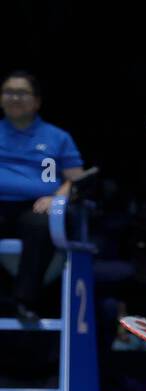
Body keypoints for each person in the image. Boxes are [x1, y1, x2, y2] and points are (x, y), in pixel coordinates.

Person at [0, 70, 85, 319]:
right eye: (8, 92)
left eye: (22, 93)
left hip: (38, 208)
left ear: (36, 101)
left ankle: (24, 302)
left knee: (40, 224)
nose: (15, 98)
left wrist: (57, 198)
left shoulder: (57, 137)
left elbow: (76, 179)